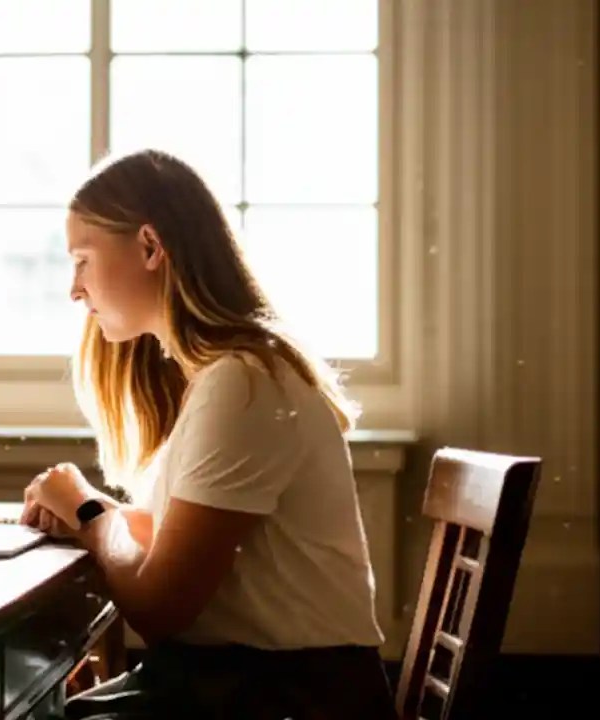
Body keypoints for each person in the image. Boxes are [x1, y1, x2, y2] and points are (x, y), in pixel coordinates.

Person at [20, 149, 398, 720]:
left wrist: (88, 510)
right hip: (246, 686)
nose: (75, 289)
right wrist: (89, 512)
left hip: (283, 698)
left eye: (82, 260)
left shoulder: (243, 385)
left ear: (150, 247)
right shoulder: (224, 376)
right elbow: (178, 541)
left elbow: (161, 606)